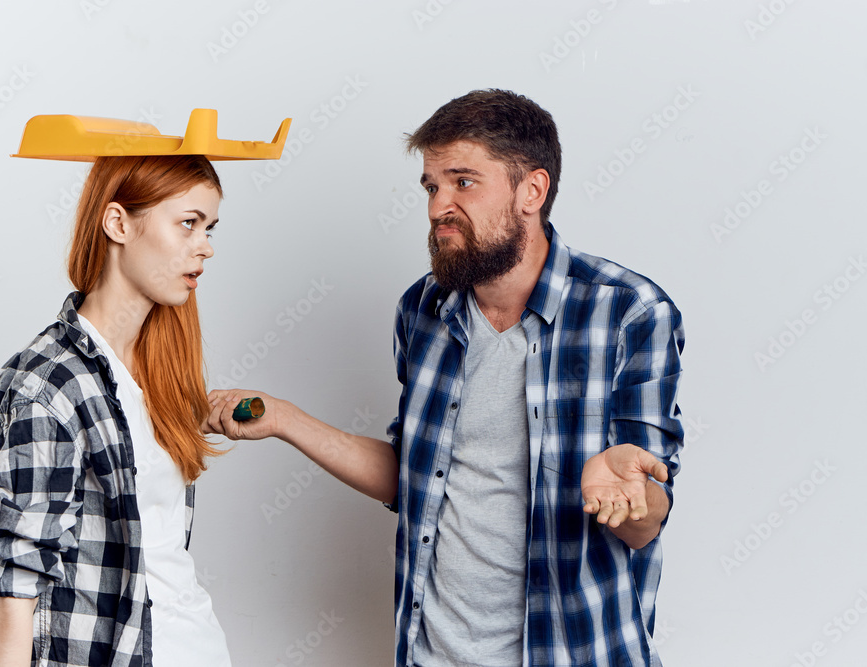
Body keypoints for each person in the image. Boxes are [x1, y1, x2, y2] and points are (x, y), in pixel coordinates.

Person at [205, 89, 685, 667]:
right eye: (432, 187)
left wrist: (630, 499)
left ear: (532, 191)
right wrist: (284, 419)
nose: (438, 208)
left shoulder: (630, 312)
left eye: (464, 182)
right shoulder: (423, 311)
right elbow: (412, 479)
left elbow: (645, 523)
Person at [0, 154, 233, 667]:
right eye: (188, 223)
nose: (206, 246)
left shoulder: (156, 374)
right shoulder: (45, 389)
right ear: (118, 223)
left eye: (210, 228)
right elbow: (13, 593)